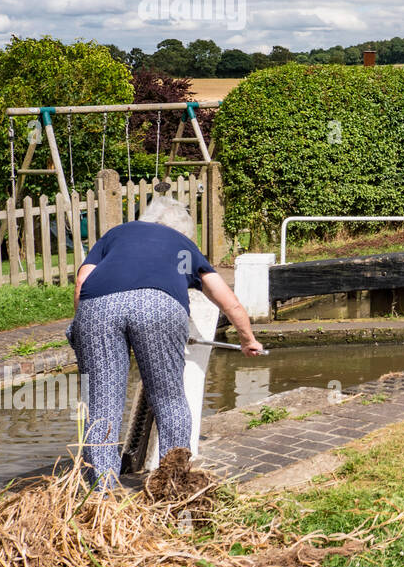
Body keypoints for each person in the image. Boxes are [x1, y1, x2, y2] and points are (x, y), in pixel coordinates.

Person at [67, 196, 263, 489]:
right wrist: (248, 339)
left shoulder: (118, 233)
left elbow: (83, 281)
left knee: (103, 405)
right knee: (169, 399)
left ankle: (101, 495)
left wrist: (80, 326)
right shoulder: (184, 245)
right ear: (183, 230)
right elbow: (228, 300)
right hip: (158, 307)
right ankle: (173, 487)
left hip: (98, 307)